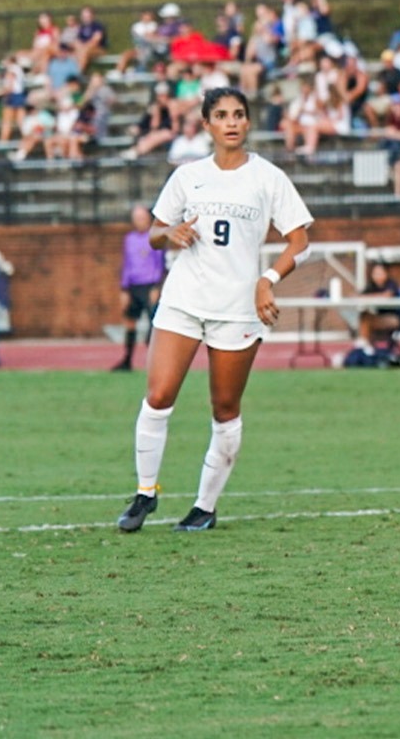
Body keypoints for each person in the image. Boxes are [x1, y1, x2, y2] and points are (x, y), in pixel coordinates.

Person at [116, 88, 313, 534]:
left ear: (247, 123)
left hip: (237, 308)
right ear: (206, 125)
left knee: (225, 408)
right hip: (184, 300)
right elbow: (154, 233)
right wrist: (172, 234)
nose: (231, 122)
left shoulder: (268, 177)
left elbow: (299, 240)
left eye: (239, 115)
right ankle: (145, 493)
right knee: (159, 395)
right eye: (221, 115)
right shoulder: (188, 176)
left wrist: (268, 280)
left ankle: (204, 507)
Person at [112, 205, 167, 373]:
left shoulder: (155, 238)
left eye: (142, 218)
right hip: (133, 286)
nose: (139, 222)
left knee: (153, 324)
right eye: (136, 219)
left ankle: (155, 363)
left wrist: (156, 287)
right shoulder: (129, 239)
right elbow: (127, 265)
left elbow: (160, 264)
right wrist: (124, 289)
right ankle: (127, 360)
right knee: (130, 322)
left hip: (149, 285)